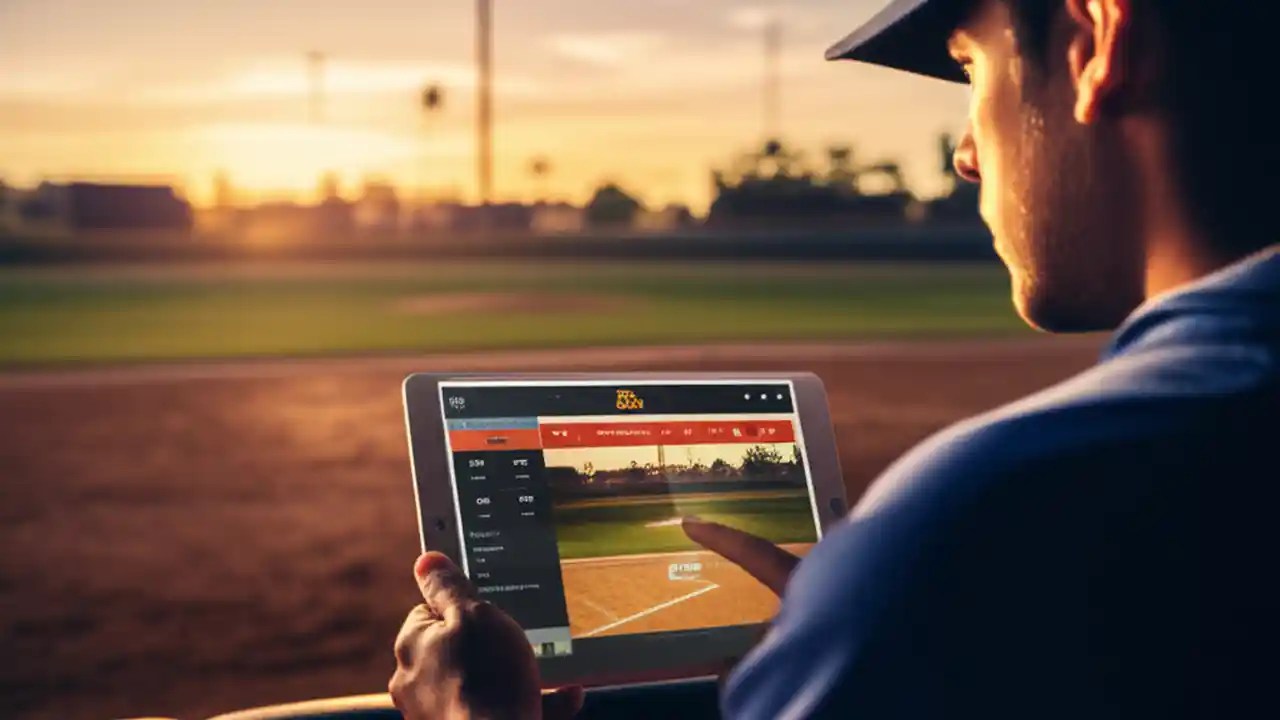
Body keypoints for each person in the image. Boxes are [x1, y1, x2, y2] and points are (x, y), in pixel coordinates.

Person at [389, 0, 1280, 717]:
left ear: (1093, 41)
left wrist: (481, 717)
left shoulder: (988, 526)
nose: (967, 154)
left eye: (972, 68)